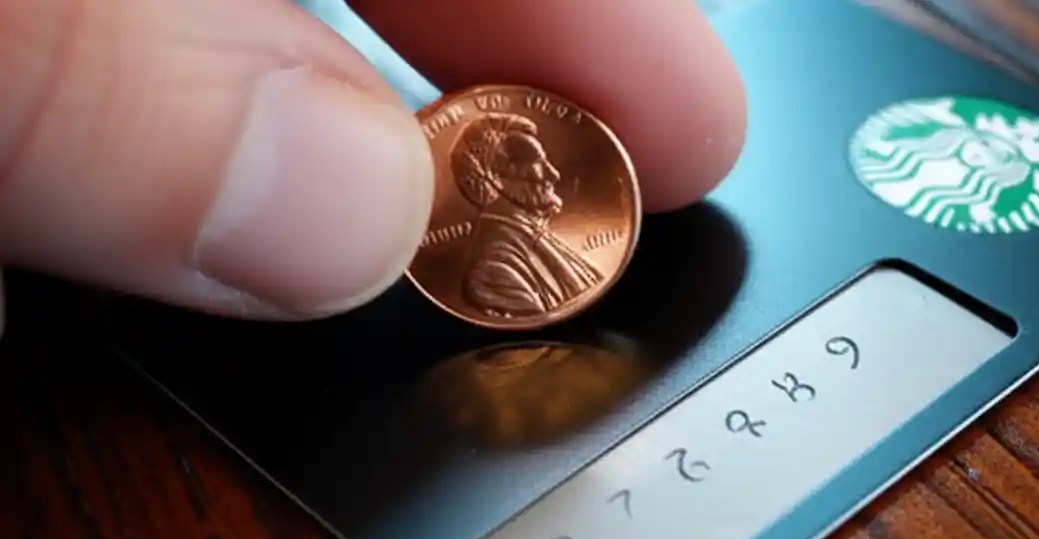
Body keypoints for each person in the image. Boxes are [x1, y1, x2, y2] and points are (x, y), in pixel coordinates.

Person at [0, 0, 747, 334]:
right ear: (489, 183)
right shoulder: (496, 266)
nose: (553, 181)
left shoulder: (542, 250)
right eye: (531, 171)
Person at [452, 113, 603, 318]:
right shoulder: (493, 270)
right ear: (496, 179)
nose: (554, 174)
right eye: (537, 163)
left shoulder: (537, 236)